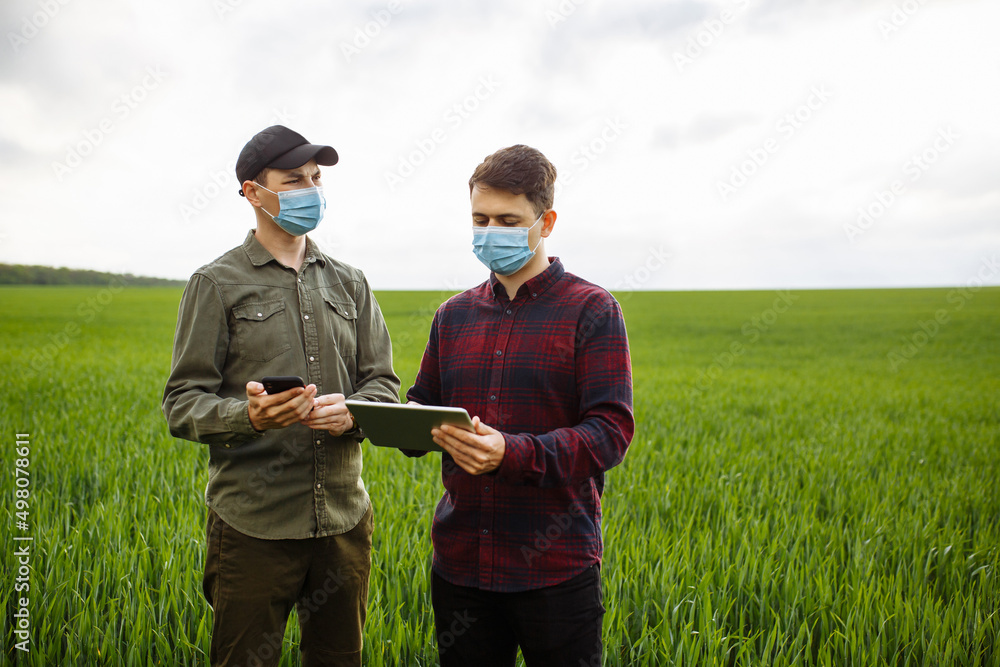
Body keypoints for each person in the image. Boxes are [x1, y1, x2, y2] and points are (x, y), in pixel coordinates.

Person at [162, 125, 400, 667]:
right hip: (253, 526)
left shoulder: (351, 282)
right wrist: (249, 416)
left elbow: (383, 384)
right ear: (252, 192)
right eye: (294, 180)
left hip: (343, 522)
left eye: (315, 179)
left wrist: (355, 415)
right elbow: (182, 401)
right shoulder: (217, 283)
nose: (310, 190)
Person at [404, 144, 635, 666]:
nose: (490, 232)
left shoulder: (592, 310)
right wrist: (401, 422)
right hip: (460, 567)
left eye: (508, 220)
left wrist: (511, 453)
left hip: (555, 570)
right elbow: (425, 404)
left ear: (546, 221)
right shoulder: (453, 315)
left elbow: (610, 431)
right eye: (479, 219)